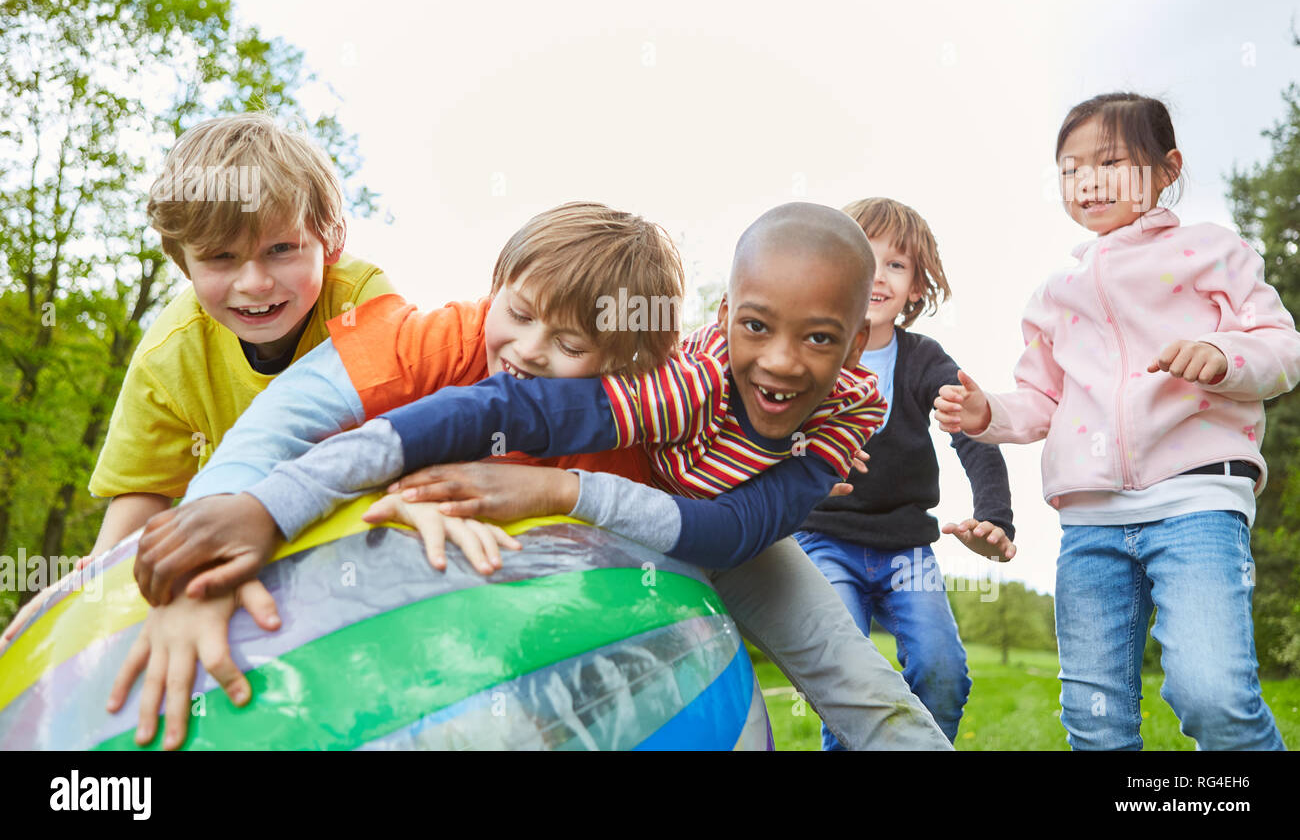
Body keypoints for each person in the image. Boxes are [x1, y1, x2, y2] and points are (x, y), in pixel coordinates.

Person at [128, 202, 954, 750]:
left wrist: (560, 491)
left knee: (853, 677)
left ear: (625, 367)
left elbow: (730, 532)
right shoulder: (444, 344)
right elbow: (293, 426)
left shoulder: (653, 400)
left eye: (568, 344)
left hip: (714, 521)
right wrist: (219, 544)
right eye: (518, 314)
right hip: (629, 529)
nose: (526, 350)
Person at [934, 92, 1300, 750]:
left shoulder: (1213, 253)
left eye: (1109, 161)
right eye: (1070, 169)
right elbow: (1039, 401)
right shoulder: (1053, 297)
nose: (1087, 180)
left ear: (1167, 169)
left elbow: (1282, 349)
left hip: (1197, 502)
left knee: (1210, 694)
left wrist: (1222, 354)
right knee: (1094, 718)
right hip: (1090, 525)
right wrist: (988, 413)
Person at [0, 112, 391, 649]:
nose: (255, 282)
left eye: (281, 248)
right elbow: (146, 492)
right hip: (233, 542)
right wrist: (89, 595)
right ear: (183, 264)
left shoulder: (360, 303)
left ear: (332, 241)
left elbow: (411, 427)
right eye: (220, 258)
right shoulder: (170, 356)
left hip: (356, 533)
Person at [793, 197, 1014, 747]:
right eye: (862, 258)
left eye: (895, 264)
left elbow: (971, 429)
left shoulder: (923, 358)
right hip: (823, 540)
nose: (876, 275)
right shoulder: (806, 349)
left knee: (944, 672)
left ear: (915, 287)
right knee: (847, 676)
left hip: (905, 549)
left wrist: (996, 517)